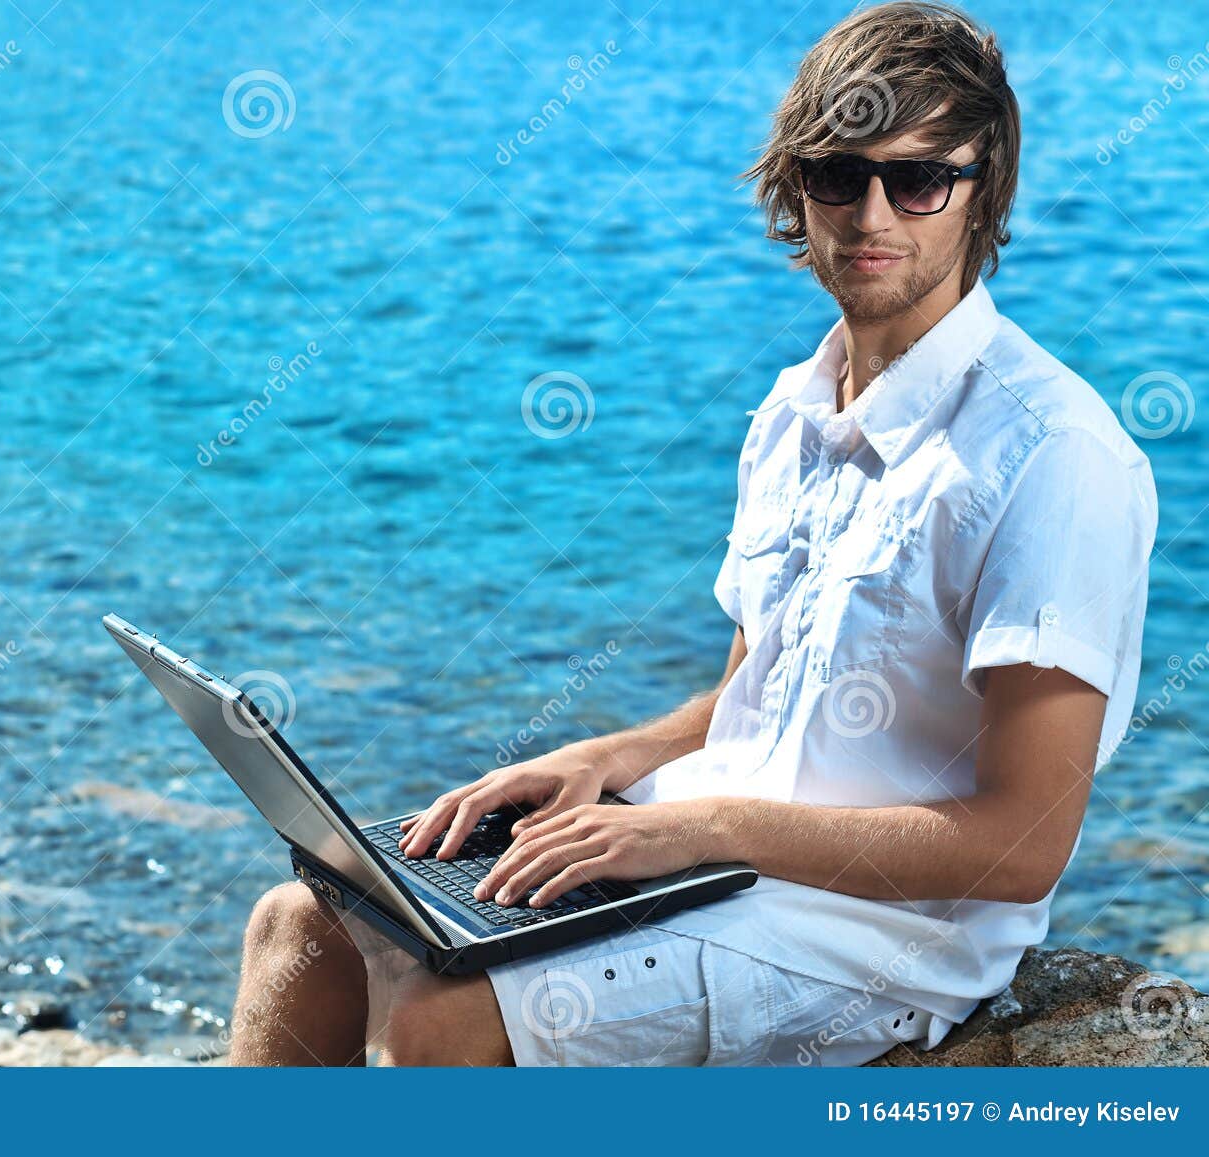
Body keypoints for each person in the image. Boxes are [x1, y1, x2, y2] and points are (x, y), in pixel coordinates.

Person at [225, 0, 1157, 1066]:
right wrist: (606, 757)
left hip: (877, 930)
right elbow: (758, 691)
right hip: (717, 853)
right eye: (836, 175)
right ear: (795, 186)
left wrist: (694, 831)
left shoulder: (1050, 455)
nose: (872, 215)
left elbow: (1021, 844)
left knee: (439, 1017)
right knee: (299, 926)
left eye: (918, 178)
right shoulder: (791, 415)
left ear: (978, 188)